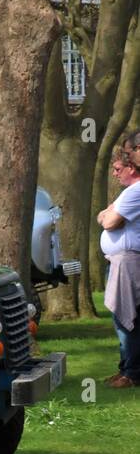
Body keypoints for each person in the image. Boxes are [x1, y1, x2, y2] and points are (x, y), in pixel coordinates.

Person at [99, 134, 140, 387]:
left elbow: (109, 220)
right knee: (122, 318)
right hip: (119, 260)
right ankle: (126, 368)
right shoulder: (129, 192)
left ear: (131, 168)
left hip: (127, 261)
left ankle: (131, 373)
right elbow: (102, 215)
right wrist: (106, 214)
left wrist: (107, 215)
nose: (114, 174)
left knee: (127, 318)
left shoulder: (135, 192)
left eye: (117, 169)